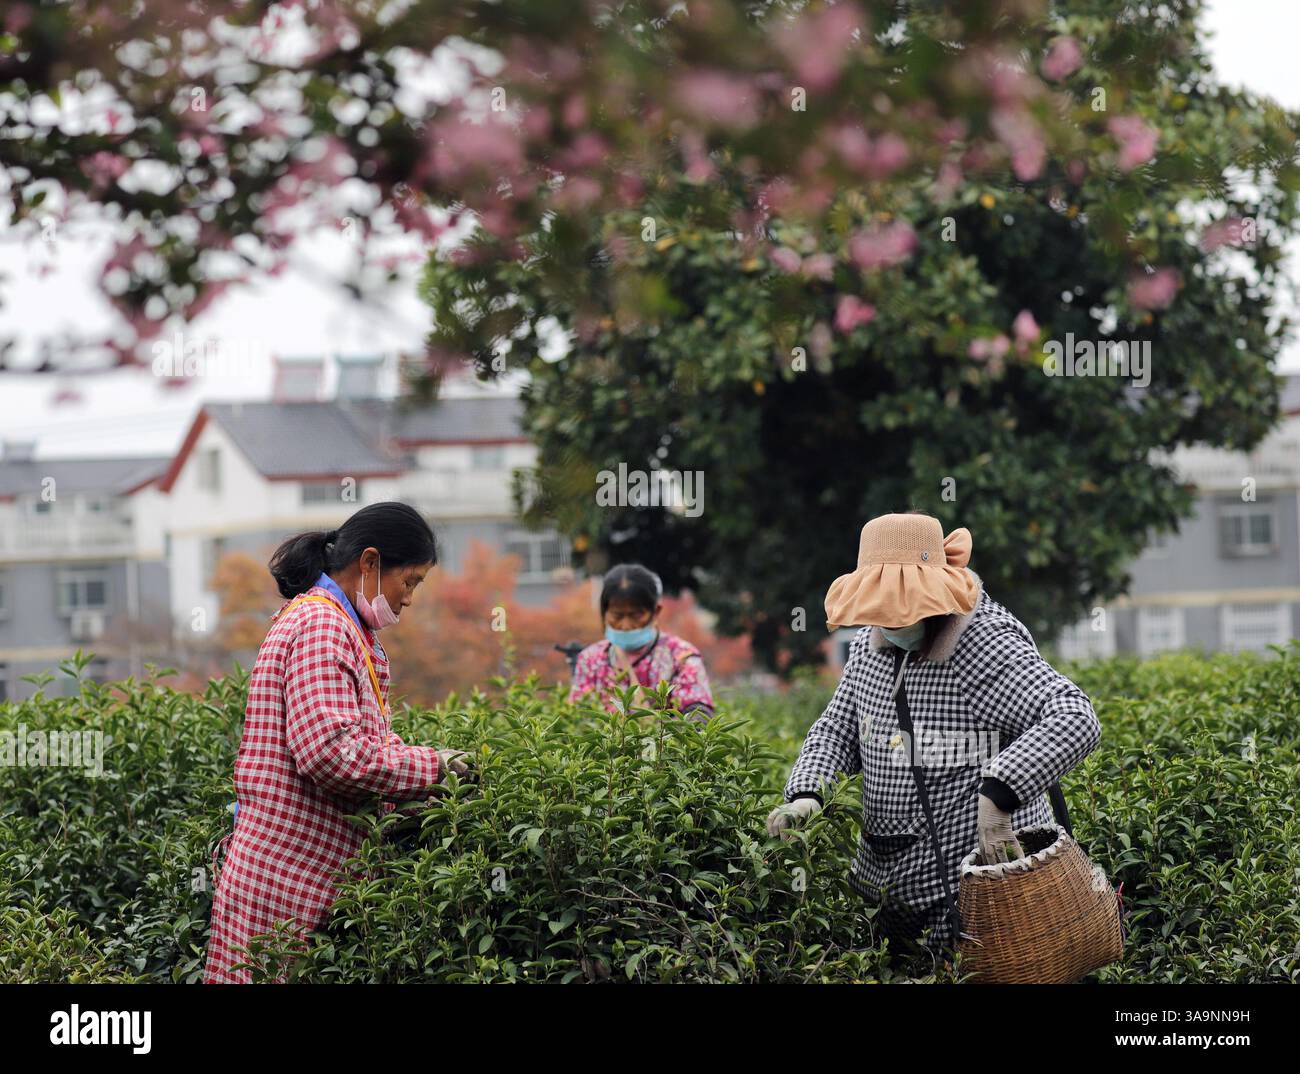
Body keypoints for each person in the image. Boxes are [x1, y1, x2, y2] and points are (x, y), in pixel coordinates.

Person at [766, 511, 1101, 961]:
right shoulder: (871, 645)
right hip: (890, 893)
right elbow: (837, 730)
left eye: (900, 604)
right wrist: (807, 793)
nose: (888, 620)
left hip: (978, 894)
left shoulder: (984, 643)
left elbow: (1073, 716)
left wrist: (999, 796)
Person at [203, 501, 472, 984]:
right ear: (369, 563)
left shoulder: (341, 625)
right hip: (287, 884)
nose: (409, 599)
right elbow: (332, 754)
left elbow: (366, 747)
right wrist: (439, 769)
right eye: (409, 582)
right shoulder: (321, 625)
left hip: (299, 879)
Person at [567, 564, 714, 719]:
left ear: (655, 612)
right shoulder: (590, 659)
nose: (626, 625)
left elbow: (698, 714)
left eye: (636, 615)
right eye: (617, 615)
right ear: (604, 613)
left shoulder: (680, 656)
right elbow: (577, 718)